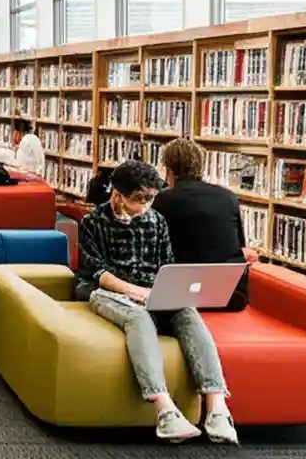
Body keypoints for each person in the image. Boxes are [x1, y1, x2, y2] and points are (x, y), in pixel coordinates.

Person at [76, 161, 238, 444]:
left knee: (187, 311)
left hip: (153, 291)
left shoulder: (157, 221)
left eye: (150, 199)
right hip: (109, 291)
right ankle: (165, 410)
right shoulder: (93, 222)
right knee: (138, 318)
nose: (144, 207)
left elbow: (167, 264)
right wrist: (138, 293)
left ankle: (217, 407)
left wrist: (167, 290)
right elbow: (97, 272)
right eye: (138, 199)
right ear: (117, 195)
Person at [152, 138, 249, 311]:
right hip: (232, 293)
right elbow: (239, 245)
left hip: (185, 292)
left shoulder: (163, 200)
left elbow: (154, 248)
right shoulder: (228, 197)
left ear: (169, 169)